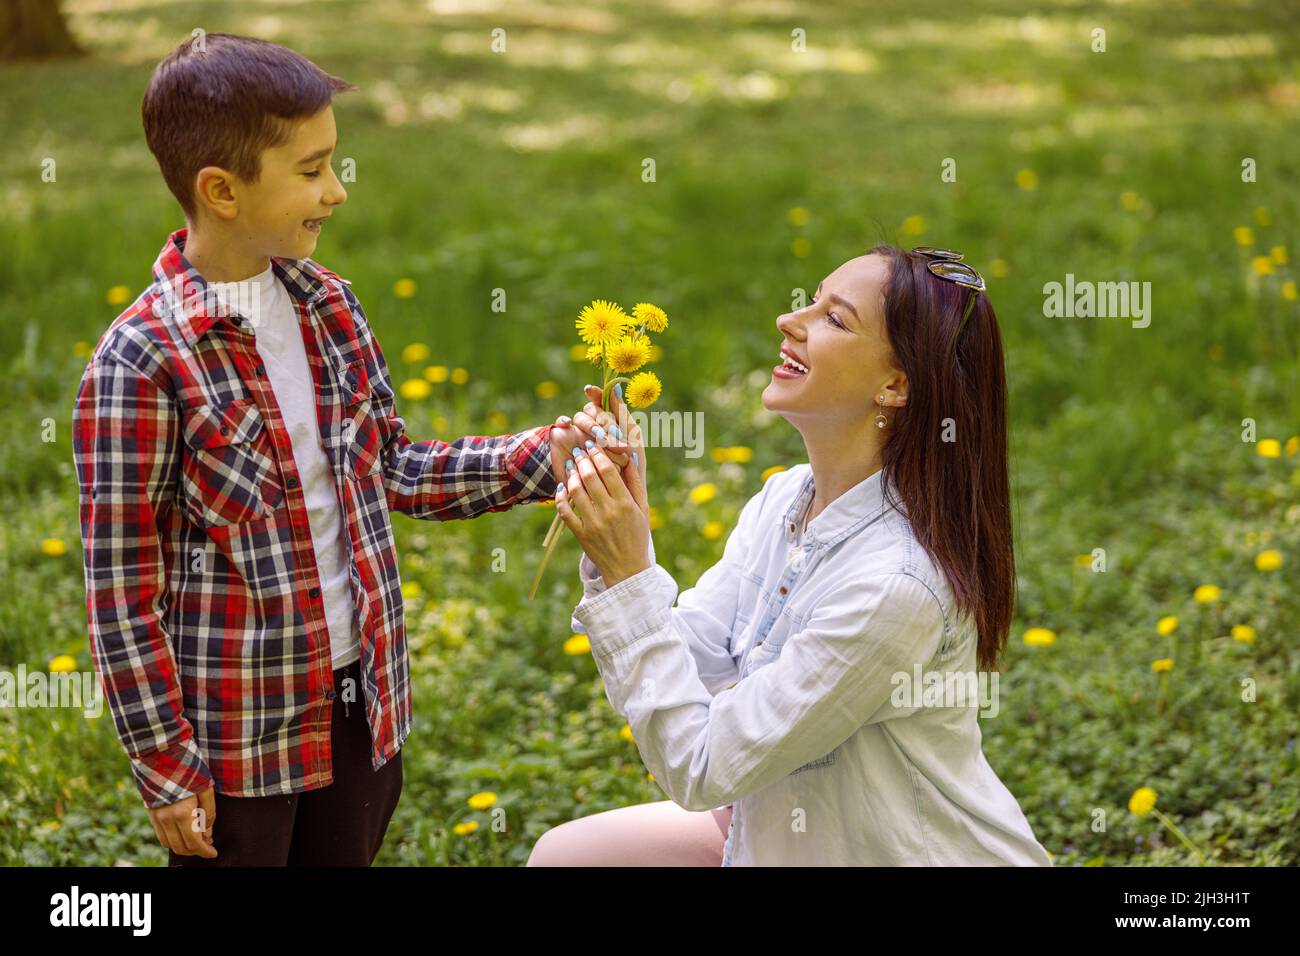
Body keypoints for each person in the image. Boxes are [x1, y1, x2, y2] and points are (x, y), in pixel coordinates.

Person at [71, 33, 610, 866]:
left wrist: (542, 455)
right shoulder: (142, 361)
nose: (338, 190)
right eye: (313, 169)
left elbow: (391, 467)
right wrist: (165, 765)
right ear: (221, 190)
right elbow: (120, 591)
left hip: (361, 707)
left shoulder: (329, 307)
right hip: (238, 740)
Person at [529, 245, 1053, 866]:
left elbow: (700, 767)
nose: (790, 320)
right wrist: (626, 534)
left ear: (895, 386)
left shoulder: (897, 585)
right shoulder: (785, 498)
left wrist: (629, 575)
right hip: (785, 838)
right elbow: (689, 664)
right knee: (569, 858)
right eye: (811, 300)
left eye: (835, 318)